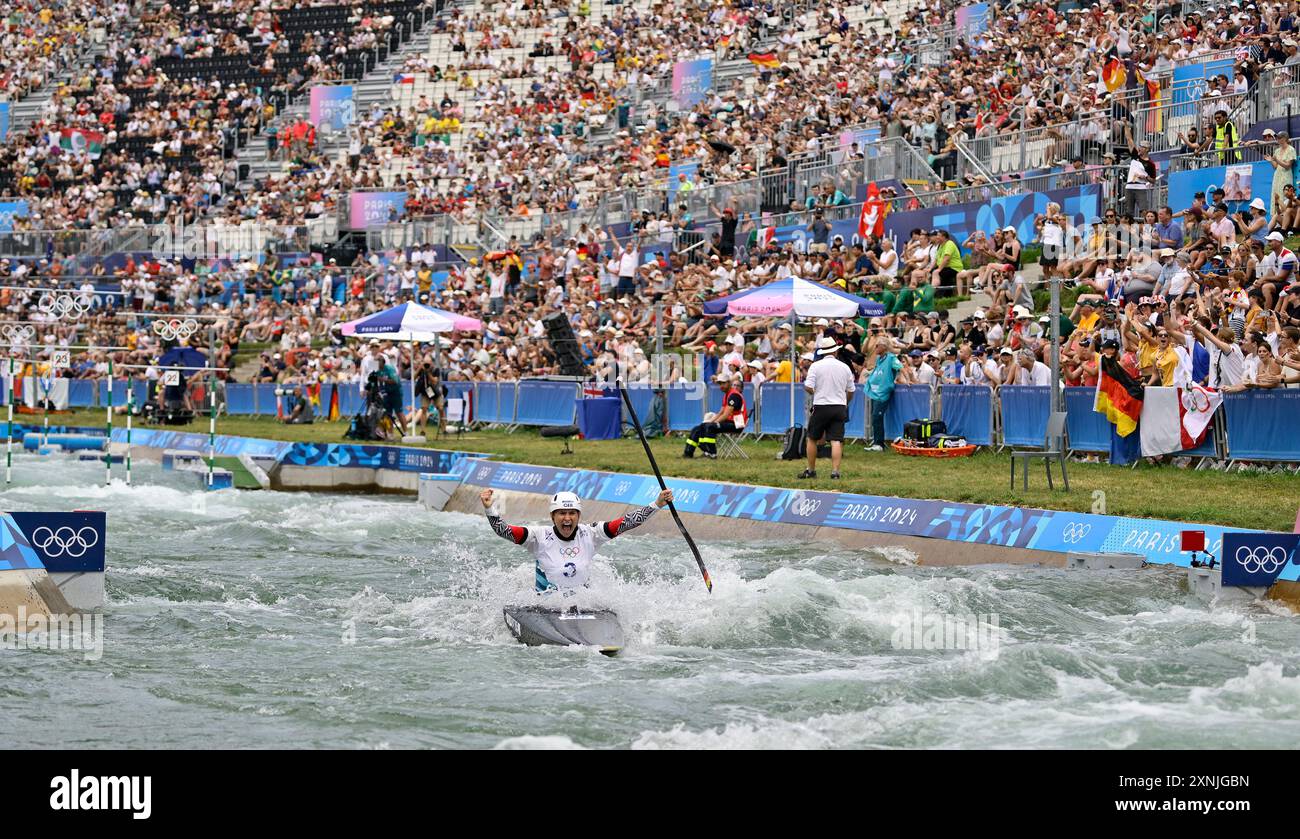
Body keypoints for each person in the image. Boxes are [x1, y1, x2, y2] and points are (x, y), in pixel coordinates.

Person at [481, 488, 674, 593]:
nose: (567, 518)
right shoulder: (537, 536)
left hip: (582, 603)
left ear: (578, 515)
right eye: (562, 513)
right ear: (552, 516)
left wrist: (656, 504)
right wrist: (490, 509)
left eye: (572, 513)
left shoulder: (591, 533)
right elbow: (504, 531)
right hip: (546, 605)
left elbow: (626, 523)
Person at [799, 335, 855, 479]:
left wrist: (817, 392)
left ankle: (811, 470)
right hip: (839, 406)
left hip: (821, 405)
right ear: (835, 352)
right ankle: (835, 472)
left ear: (822, 352)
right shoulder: (845, 367)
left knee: (812, 438)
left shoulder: (815, 366)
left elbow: (808, 386)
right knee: (836, 440)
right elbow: (851, 390)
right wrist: (845, 402)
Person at [682, 375, 747, 458]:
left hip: (737, 425)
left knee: (709, 427)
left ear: (729, 383)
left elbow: (725, 415)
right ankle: (688, 453)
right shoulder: (727, 394)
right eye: (720, 384)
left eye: (723, 383)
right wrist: (708, 422)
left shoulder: (734, 396)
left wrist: (711, 424)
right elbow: (720, 413)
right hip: (729, 422)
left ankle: (711, 453)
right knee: (697, 428)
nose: (721, 386)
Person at [865, 336, 903, 451]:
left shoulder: (891, 358)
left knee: (877, 416)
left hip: (884, 392)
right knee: (875, 417)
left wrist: (907, 379)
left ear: (884, 347)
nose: (875, 347)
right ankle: (877, 442)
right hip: (876, 391)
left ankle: (879, 444)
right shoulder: (878, 359)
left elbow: (901, 368)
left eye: (877, 345)